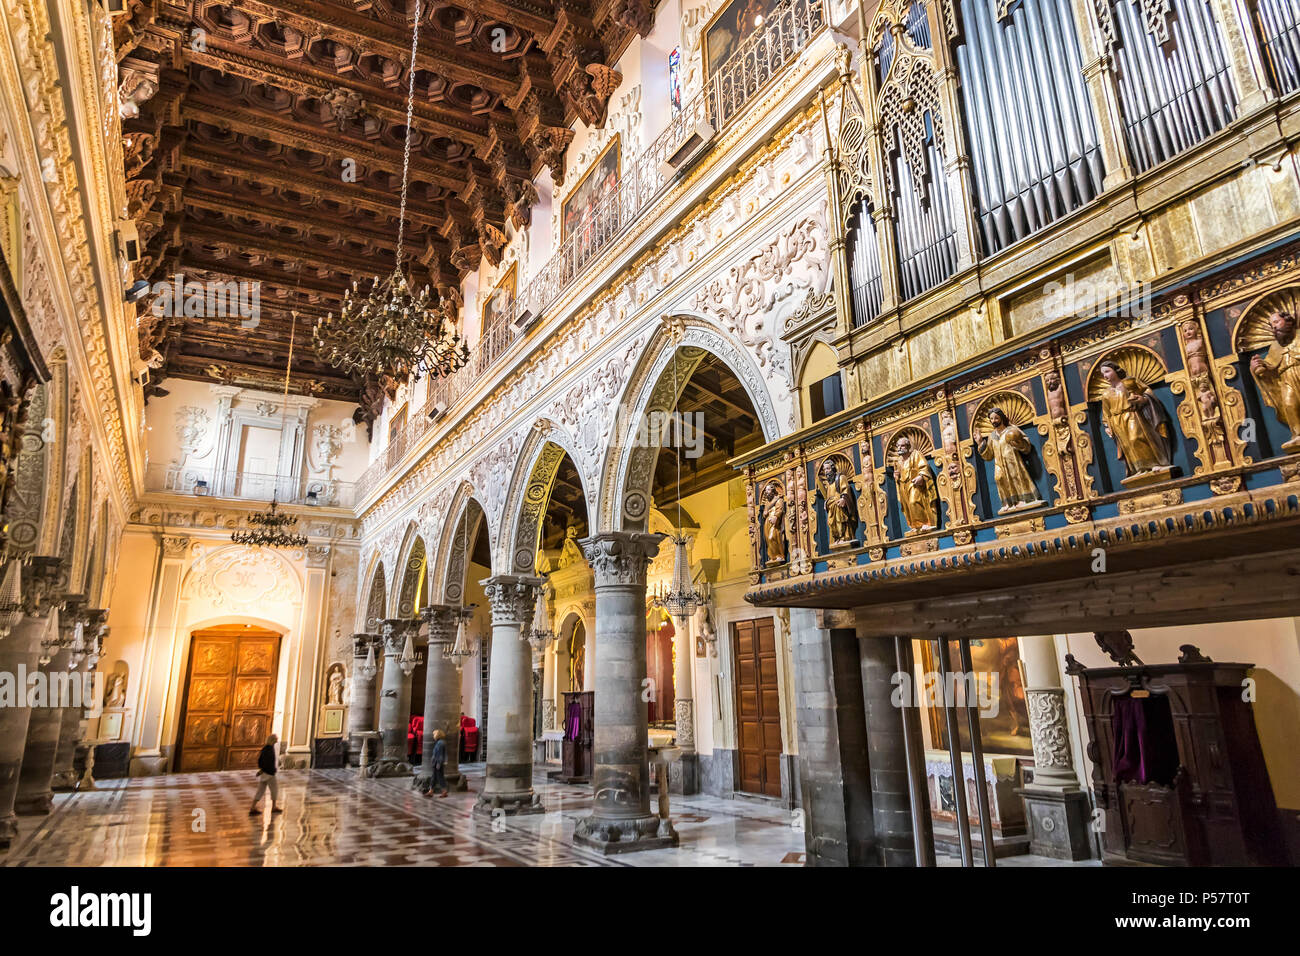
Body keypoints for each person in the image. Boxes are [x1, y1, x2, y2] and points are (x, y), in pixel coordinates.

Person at [249, 733, 283, 815]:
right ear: (272, 740)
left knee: (260, 790)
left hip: (265, 772)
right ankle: (274, 807)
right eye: (276, 738)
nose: (277, 740)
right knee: (274, 789)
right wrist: (269, 770)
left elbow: (260, 760)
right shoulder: (269, 749)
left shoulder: (266, 748)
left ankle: (253, 807)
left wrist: (261, 770)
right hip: (269, 773)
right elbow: (268, 762)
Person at [430, 728, 449, 797]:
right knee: (434, 777)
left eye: (434, 734)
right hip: (436, 762)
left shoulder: (440, 743)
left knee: (440, 777)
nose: (433, 736)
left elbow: (440, 755)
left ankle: (444, 791)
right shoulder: (440, 742)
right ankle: (431, 791)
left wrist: (439, 763)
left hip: (438, 763)